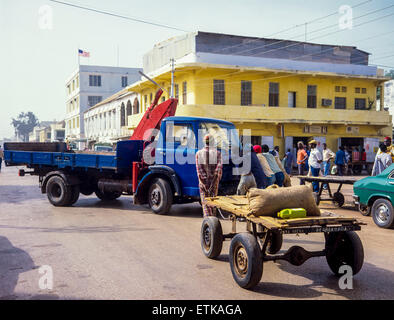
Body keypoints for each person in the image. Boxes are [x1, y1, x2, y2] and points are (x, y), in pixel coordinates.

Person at [195, 134, 223, 217]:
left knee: (205, 203)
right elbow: (218, 170)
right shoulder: (218, 153)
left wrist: (204, 182)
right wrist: (213, 182)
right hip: (214, 184)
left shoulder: (198, 153)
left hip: (203, 184)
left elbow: (199, 170)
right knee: (213, 202)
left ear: (204, 142)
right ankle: (213, 220)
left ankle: (207, 221)